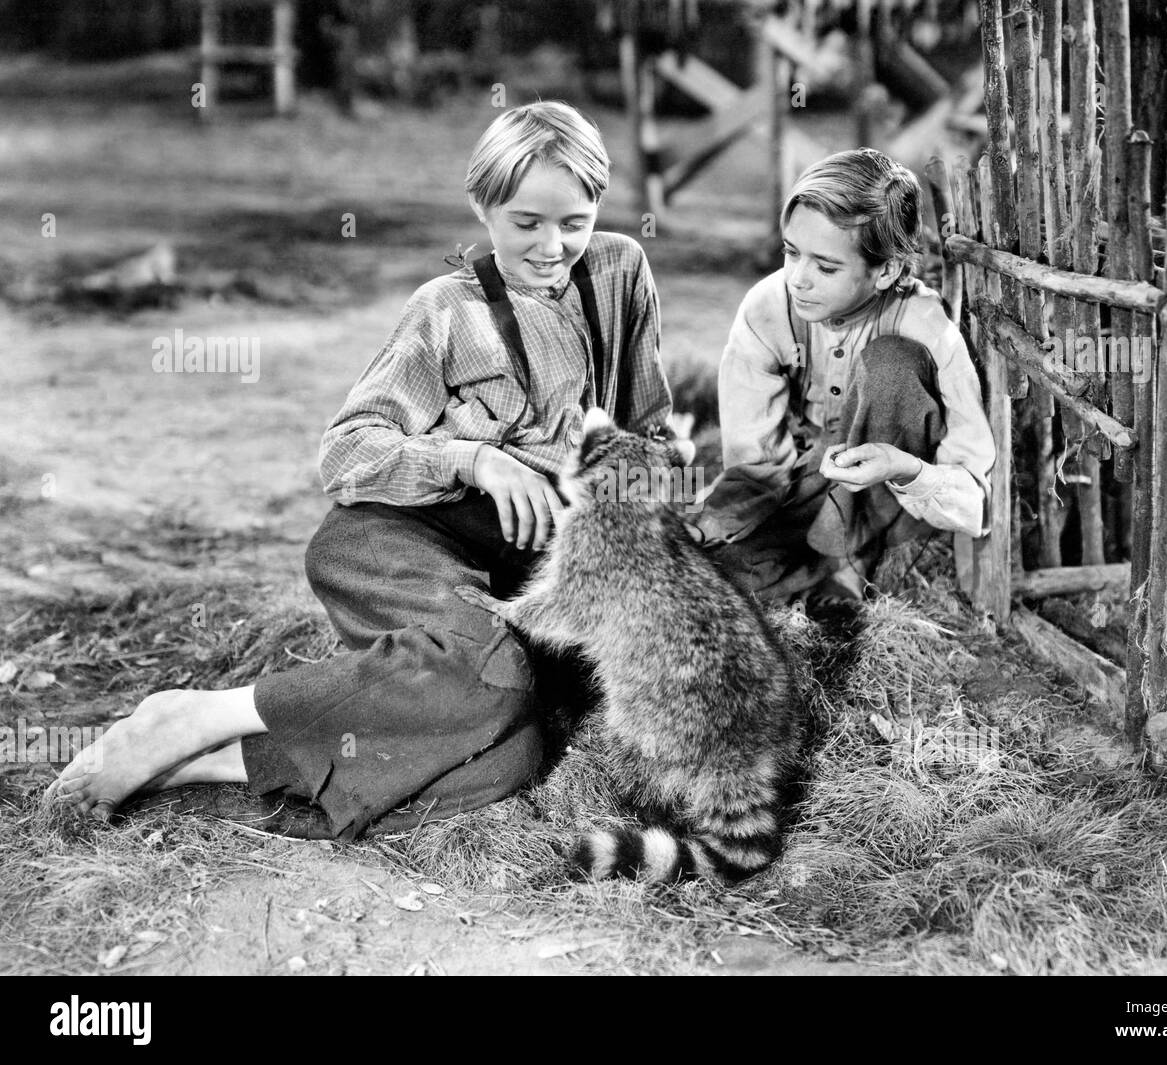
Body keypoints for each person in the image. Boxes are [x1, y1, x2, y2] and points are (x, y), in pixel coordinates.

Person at [45, 102, 673, 839]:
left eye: (575, 220)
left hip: (524, 562)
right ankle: (204, 709)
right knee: (489, 670)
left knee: (512, 752)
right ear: (482, 206)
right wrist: (475, 458)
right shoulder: (445, 309)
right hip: (402, 535)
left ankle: (202, 758)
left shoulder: (621, 271)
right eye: (525, 222)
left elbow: (648, 432)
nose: (551, 245)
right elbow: (345, 450)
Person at [689, 147, 996, 606]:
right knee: (713, 574)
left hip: (889, 494)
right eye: (791, 253)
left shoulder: (928, 330)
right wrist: (712, 523)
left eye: (826, 266)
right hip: (800, 478)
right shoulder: (767, 310)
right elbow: (754, 464)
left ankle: (851, 560)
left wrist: (902, 466)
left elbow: (973, 497)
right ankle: (812, 561)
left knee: (890, 364)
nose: (798, 279)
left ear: (887, 270)